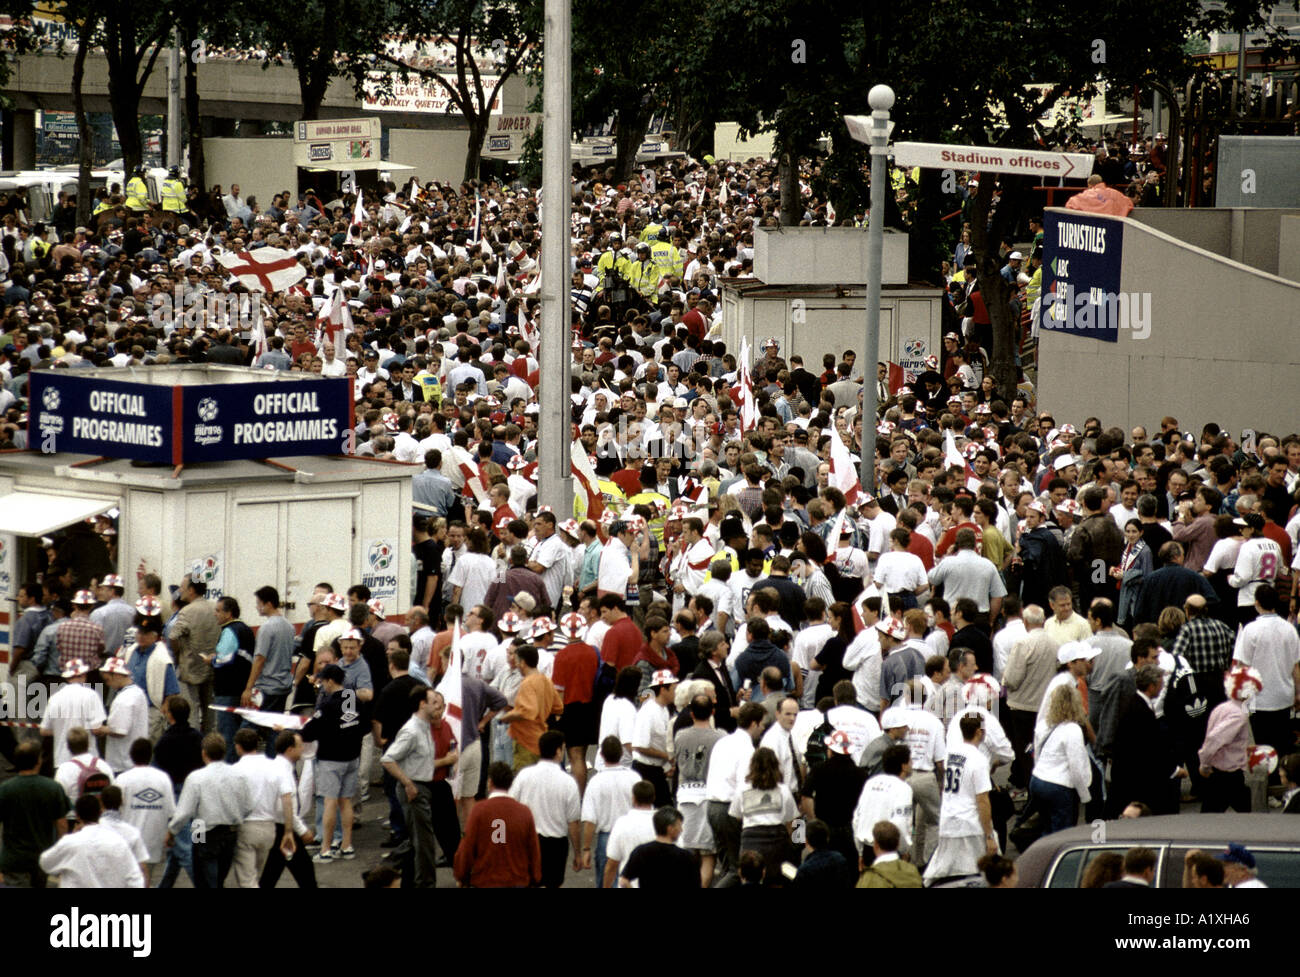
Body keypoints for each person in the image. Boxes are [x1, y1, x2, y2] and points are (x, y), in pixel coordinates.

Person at [380, 685, 461, 888]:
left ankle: (391, 876)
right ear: (422, 704)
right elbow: (388, 759)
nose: (438, 708)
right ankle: (420, 882)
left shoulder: (426, 727)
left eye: (440, 705)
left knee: (421, 841)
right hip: (417, 787)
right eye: (434, 703)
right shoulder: (412, 730)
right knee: (422, 844)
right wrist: (408, 783)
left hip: (430, 785)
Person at [166, 733, 253, 888]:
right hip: (230, 831)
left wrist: (172, 830)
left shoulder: (196, 777)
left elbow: (185, 811)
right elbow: (248, 806)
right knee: (220, 876)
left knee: (203, 875)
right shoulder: (239, 775)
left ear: (204, 753)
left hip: (201, 829)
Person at [299, 664, 365, 863]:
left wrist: (295, 732)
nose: (321, 685)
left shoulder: (327, 704)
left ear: (329, 680)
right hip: (352, 757)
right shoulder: (354, 698)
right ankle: (346, 845)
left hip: (331, 759)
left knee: (329, 802)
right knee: (346, 801)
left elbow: (310, 732)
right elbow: (365, 725)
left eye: (322, 681)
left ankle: (326, 849)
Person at [923, 713, 997, 886]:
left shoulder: (951, 753)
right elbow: (983, 800)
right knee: (978, 875)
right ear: (979, 732)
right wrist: (989, 835)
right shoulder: (978, 760)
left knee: (942, 873)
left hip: (948, 821)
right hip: (969, 825)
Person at [508, 729, 581, 888]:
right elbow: (573, 822)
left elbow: (510, 806)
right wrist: (578, 853)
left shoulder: (524, 776)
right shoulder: (568, 782)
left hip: (528, 840)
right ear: (558, 751)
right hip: (555, 845)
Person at [454, 762, 543, 888]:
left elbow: (467, 847)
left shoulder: (479, 810)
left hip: (485, 881)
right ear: (510, 784)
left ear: (490, 782)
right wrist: (535, 877)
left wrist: (461, 875)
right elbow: (533, 850)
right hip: (517, 880)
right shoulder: (524, 812)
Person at [0, 740, 70, 888]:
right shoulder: (53, 788)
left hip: (14, 860)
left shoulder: (5, 789)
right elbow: (62, 824)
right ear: (38, 762)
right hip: (42, 858)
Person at [1025, 683, 1093, 835]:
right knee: (1062, 834)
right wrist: (1084, 795)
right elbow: (1076, 766)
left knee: (1046, 828)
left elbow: (1037, 755)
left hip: (1037, 780)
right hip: (1059, 786)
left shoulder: (1043, 725)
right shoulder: (1073, 730)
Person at [673, 694, 726, 886]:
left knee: (687, 850)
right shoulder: (721, 737)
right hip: (709, 793)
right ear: (712, 712)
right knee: (708, 852)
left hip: (685, 793)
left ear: (692, 713)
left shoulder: (680, 735)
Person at [38, 794, 145, 889]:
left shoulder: (70, 842)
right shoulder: (118, 842)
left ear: (77, 815)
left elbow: (46, 862)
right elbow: (134, 877)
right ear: (100, 813)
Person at [729, 746, 799, 886]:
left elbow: (736, 816)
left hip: (750, 841)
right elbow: (794, 821)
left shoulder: (742, 790)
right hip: (777, 843)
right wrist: (797, 846)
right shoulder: (783, 791)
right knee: (778, 880)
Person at [579, 736, 642, 888]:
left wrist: (586, 848)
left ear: (601, 755)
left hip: (606, 838)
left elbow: (590, 820)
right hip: (631, 835)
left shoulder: (596, 782)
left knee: (606, 880)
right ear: (621, 754)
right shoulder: (634, 778)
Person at [257, 730, 317, 889]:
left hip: (275, 827)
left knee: (271, 874)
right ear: (290, 749)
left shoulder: (274, 766)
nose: (302, 749)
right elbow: (285, 805)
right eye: (299, 746)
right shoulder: (283, 772)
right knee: (306, 874)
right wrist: (302, 830)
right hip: (285, 828)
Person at [1197, 665, 1260, 813]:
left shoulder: (1222, 708)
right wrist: (1204, 764)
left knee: (1209, 815)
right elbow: (1215, 739)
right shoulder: (1239, 715)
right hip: (1229, 775)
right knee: (1246, 816)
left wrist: (1243, 748)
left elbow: (1220, 738)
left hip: (1219, 772)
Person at [115, 737, 176, 881]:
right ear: (151, 755)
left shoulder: (122, 780)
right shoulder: (163, 779)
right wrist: (170, 834)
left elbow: (114, 811)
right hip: (153, 843)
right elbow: (171, 812)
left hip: (127, 844)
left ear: (131, 755)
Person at [496, 644, 563, 770]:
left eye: (517, 661)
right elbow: (558, 707)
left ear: (523, 662)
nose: (515, 664)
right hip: (541, 737)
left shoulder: (528, 683)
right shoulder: (546, 681)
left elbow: (527, 711)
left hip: (526, 741)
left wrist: (506, 717)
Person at [41, 658, 106, 769]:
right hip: (88, 760)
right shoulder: (91, 695)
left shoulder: (54, 698)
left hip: (62, 759)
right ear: (84, 674)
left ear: (67, 677)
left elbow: (44, 731)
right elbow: (96, 729)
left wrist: (62, 730)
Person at [618, 806, 701, 889]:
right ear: (670, 829)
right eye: (679, 826)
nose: (681, 830)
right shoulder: (687, 857)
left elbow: (624, 881)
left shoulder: (641, 851)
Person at [95, 655, 148, 774]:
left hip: (123, 762)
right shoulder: (138, 692)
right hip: (134, 758)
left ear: (117, 675)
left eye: (108, 680)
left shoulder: (124, 699)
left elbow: (119, 730)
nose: (108, 684)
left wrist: (101, 729)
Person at [604, 780, 658, 888]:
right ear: (653, 798)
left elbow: (612, 864)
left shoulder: (622, 823)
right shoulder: (664, 822)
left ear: (633, 799)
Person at [53, 726, 114, 807]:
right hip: (100, 815)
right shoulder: (103, 765)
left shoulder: (64, 769)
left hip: (74, 816)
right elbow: (112, 790)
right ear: (88, 744)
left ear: (68, 747)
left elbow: (59, 797)